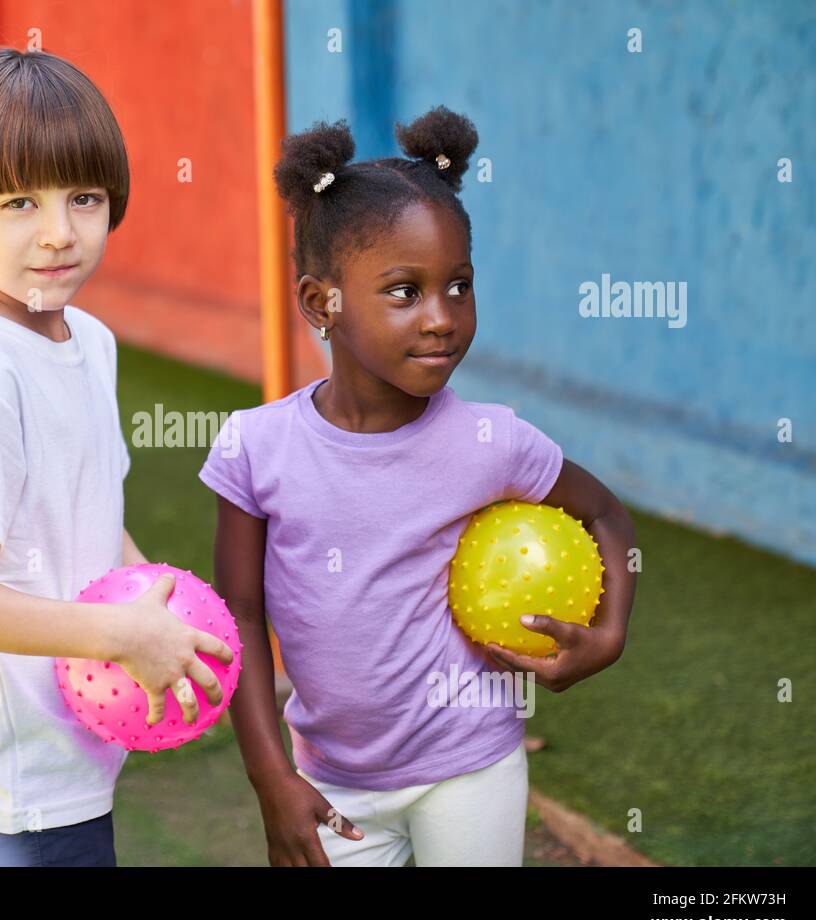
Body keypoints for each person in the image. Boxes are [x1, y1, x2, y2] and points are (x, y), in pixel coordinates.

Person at [200, 108, 637, 866]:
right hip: (330, 784)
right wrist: (272, 778)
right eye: (405, 292)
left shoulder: (490, 440)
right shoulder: (255, 448)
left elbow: (605, 515)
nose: (442, 318)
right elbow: (236, 612)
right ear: (320, 303)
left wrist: (608, 634)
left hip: (471, 769)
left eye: (459, 286)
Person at [0, 46, 233, 867]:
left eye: (83, 197)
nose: (59, 233)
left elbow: (96, 518)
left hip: (74, 756)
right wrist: (114, 633)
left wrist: (164, 629)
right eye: (19, 201)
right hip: (4, 785)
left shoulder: (90, 340)